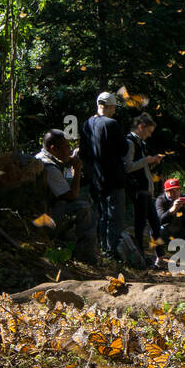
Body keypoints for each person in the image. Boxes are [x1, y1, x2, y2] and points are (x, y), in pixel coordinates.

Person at [35, 130, 97, 263]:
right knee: (83, 208)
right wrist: (78, 169)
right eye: (67, 147)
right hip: (45, 218)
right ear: (53, 149)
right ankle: (86, 257)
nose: (69, 151)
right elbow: (72, 196)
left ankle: (67, 248)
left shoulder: (40, 157)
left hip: (40, 213)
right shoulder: (49, 167)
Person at [82, 91, 126, 260]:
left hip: (96, 179)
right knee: (115, 216)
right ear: (108, 107)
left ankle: (100, 248)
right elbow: (123, 149)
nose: (114, 110)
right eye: (114, 107)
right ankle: (112, 252)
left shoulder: (87, 124)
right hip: (114, 178)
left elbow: (84, 153)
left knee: (100, 215)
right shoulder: (112, 124)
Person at [124, 112, 165, 268]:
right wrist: (146, 160)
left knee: (155, 224)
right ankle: (140, 257)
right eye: (148, 132)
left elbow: (140, 166)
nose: (149, 136)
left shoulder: (140, 143)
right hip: (138, 191)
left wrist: (151, 162)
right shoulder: (130, 142)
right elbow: (128, 167)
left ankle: (159, 258)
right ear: (141, 127)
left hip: (146, 191)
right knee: (140, 225)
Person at [156, 178, 185, 244]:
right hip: (167, 231)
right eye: (171, 191)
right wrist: (172, 210)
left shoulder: (184, 198)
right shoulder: (160, 200)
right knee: (158, 230)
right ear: (165, 191)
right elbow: (160, 220)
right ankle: (166, 244)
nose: (175, 193)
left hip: (181, 230)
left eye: (177, 190)